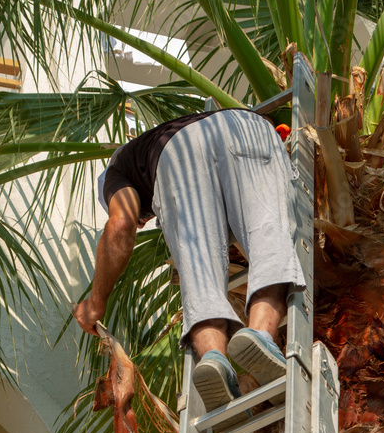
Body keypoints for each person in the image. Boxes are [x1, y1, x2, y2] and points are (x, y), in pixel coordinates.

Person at [73, 108, 304, 416]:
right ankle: (261, 335)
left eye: (146, 217)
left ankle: (213, 357)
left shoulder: (116, 171)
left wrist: (95, 301)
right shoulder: (169, 128)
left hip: (179, 158)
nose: (146, 220)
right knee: (268, 237)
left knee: (199, 273)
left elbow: (120, 224)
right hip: (246, 127)